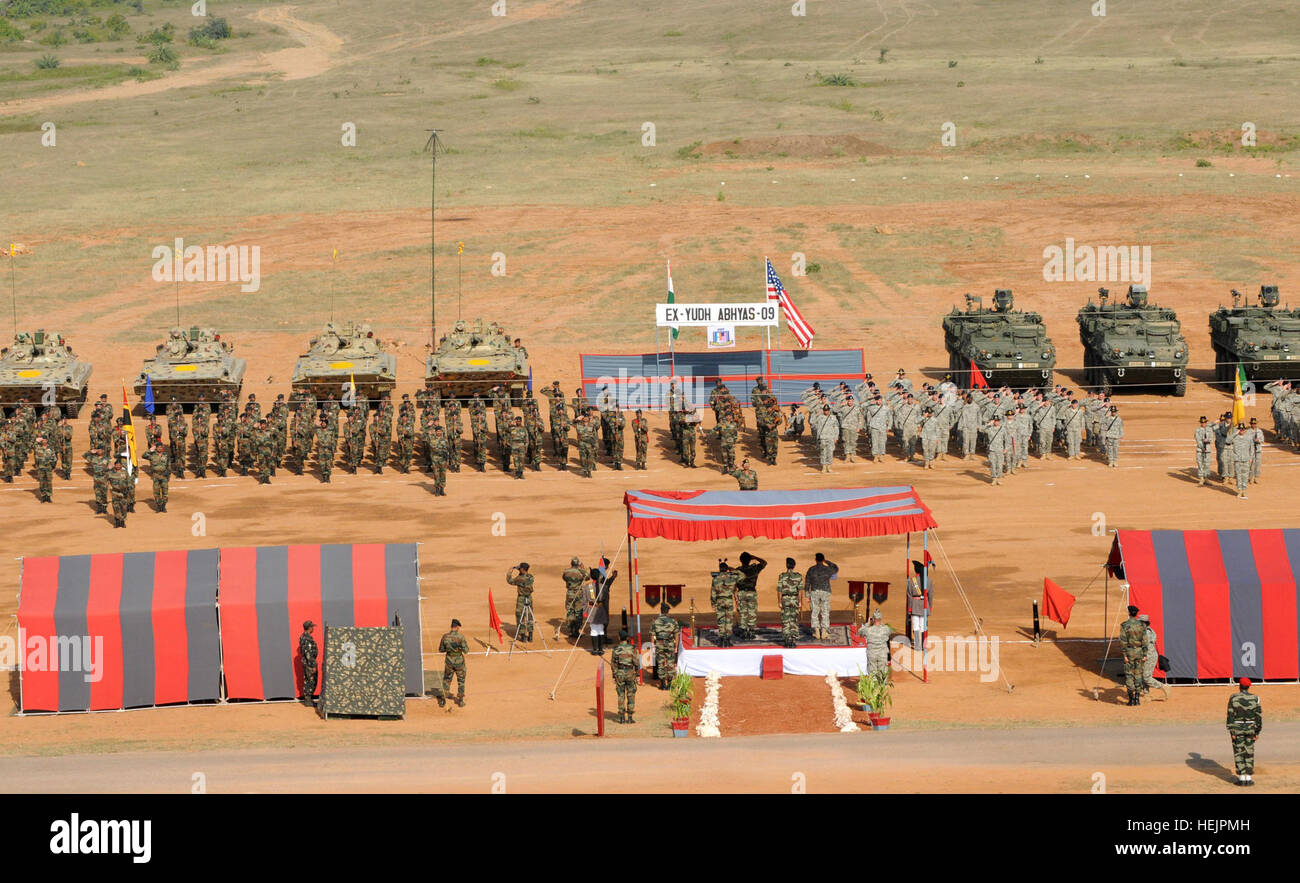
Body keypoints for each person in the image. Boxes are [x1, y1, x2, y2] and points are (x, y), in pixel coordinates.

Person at [1226, 678, 1262, 786]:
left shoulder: (1233, 698)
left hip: (1237, 728)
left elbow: (1230, 716)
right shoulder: (1256, 698)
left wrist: (1232, 732)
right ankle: (1248, 778)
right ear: (1249, 686)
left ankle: (1242, 778)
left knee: (1239, 752)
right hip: (1251, 728)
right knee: (1249, 752)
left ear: (1239, 686)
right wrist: (1257, 732)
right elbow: (1258, 716)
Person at [803, 552, 838, 641]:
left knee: (814, 612)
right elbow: (836, 568)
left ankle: (816, 631)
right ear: (822, 560)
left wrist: (807, 595)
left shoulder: (811, 570)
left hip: (814, 593)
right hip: (825, 593)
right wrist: (827, 561)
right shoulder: (827, 569)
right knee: (825, 611)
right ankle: (824, 631)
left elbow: (807, 583)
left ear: (815, 560)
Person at [734, 551, 766, 640]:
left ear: (741, 560)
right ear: (749, 560)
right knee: (752, 612)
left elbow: (734, 583)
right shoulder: (754, 568)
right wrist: (754, 557)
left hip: (741, 593)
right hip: (751, 592)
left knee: (743, 613)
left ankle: (744, 632)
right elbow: (764, 563)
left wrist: (735, 594)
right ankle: (751, 632)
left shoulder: (738, 570)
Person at [438, 619, 468, 708]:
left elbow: (441, 650)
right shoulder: (461, 637)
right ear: (457, 626)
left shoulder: (445, 637)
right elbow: (466, 650)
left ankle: (443, 700)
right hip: (459, 662)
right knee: (461, 681)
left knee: (447, 680)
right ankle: (461, 701)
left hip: (449, 662)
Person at [1138, 614, 1168, 700]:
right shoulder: (1148, 630)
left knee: (1146, 677)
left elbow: (1144, 646)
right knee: (1144, 675)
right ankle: (1147, 694)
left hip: (1149, 656)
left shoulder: (1146, 632)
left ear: (1143, 623)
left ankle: (1163, 687)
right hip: (1148, 655)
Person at [611, 629, 639, 724]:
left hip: (620, 673)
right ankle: (630, 717)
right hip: (630, 673)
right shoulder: (632, 648)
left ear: (619, 638)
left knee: (621, 694)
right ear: (627, 638)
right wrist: (638, 675)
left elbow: (613, 663)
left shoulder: (616, 649)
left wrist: (614, 675)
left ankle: (622, 717)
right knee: (631, 694)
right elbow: (636, 662)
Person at [1119, 605, 1145, 705]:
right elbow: (1145, 640)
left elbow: (1123, 641)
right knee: (1138, 674)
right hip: (1139, 652)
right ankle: (1137, 698)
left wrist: (1124, 655)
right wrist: (1145, 654)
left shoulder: (1124, 625)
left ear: (1129, 613)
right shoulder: (1142, 625)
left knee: (1129, 675)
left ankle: (1131, 699)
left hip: (1129, 652)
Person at [710, 561, 740, 646]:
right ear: (727, 569)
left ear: (719, 569)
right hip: (728, 601)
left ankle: (721, 640)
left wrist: (713, 604)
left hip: (719, 601)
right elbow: (742, 575)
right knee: (729, 621)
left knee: (721, 620)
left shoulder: (715, 579)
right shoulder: (732, 578)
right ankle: (727, 640)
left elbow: (713, 593)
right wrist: (732, 569)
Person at [651, 603, 680, 688]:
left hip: (659, 644)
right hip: (670, 644)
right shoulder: (673, 621)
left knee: (660, 664)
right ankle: (670, 684)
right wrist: (676, 646)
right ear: (668, 611)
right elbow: (676, 635)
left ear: (661, 610)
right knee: (670, 663)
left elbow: (652, 635)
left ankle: (662, 684)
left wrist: (653, 646)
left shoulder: (655, 621)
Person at [776, 558, 803, 648]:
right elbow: (800, 591)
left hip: (785, 599)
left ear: (786, 565)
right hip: (794, 599)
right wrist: (800, 602)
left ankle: (787, 639)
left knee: (786, 619)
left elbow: (779, 590)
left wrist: (779, 601)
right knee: (794, 619)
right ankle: (793, 639)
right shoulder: (798, 576)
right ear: (794, 566)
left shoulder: (782, 576)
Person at [860, 609, 893, 676]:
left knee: (872, 674)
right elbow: (889, 632)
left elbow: (860, 632)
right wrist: (881, 623)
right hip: (882, 653)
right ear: (880, 619)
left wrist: (868, 624)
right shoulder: (885, 629)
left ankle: (874, 686)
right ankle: (882, 686)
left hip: (872, 654)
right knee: (883, 673)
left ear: (873, 619)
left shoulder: (868, 630)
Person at [506, 563, 534, 641]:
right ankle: (530, 634)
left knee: (520, 615)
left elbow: (510, 581)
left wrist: (510, 572)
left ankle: (522, 635)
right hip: (529, 598)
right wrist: (520, 570)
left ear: (522, 569)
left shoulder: (519, 578)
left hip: (521, 599)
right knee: (529, 616)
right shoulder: (531, 577)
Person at [140, 441, 171, 512]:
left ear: (162, 448)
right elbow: (143, 455)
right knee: (156, 492)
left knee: (165, 492)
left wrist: (168, 475)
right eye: (158, 447)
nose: (160, 448)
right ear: (156, 448)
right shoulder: (152, 455)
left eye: (161, 447)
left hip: (164, 475)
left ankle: (163, 506)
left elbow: (169, 466)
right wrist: (151, 450)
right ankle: (159, 506)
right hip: (156, 476)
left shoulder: (166, 455)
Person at [1230, 423, 1253, 499]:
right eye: (1240, 429)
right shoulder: (1235, 438)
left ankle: (1244, 491)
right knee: (1238, 476)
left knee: (1245, 476)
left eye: (1243, 430)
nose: (1241, 431)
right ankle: (1239, 491)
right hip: (1237, 459)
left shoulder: (1249, 438)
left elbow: (1251, 449)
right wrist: (1235, 433)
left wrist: (1251, 458)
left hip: (1246, 459)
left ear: (1245, 430)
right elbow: (1227, 440)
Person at [299, 620, 318, 706]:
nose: (313, 628)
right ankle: (308, 699)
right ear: (309, 628)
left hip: (307, 662)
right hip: (309, 663)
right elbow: (308, 653)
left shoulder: (303, 637)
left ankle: (308, 699)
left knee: (307, 680)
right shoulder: (307, 638)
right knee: (311, 680)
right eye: (312, 627)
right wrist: (313, 665)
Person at [1193, 416, 1214, 486]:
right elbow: (1198, 440)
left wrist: (1208, 440)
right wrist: (1202, 447)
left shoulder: (1209, 430)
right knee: (1200, 464)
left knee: (1207, 464)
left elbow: (1212, 438)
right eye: (1202, 422)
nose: (1203, 424)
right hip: (1200, 450)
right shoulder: (1197, 430)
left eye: (1204, 422)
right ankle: (1201, 478)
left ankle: (1206, 478)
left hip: (1207, 449)